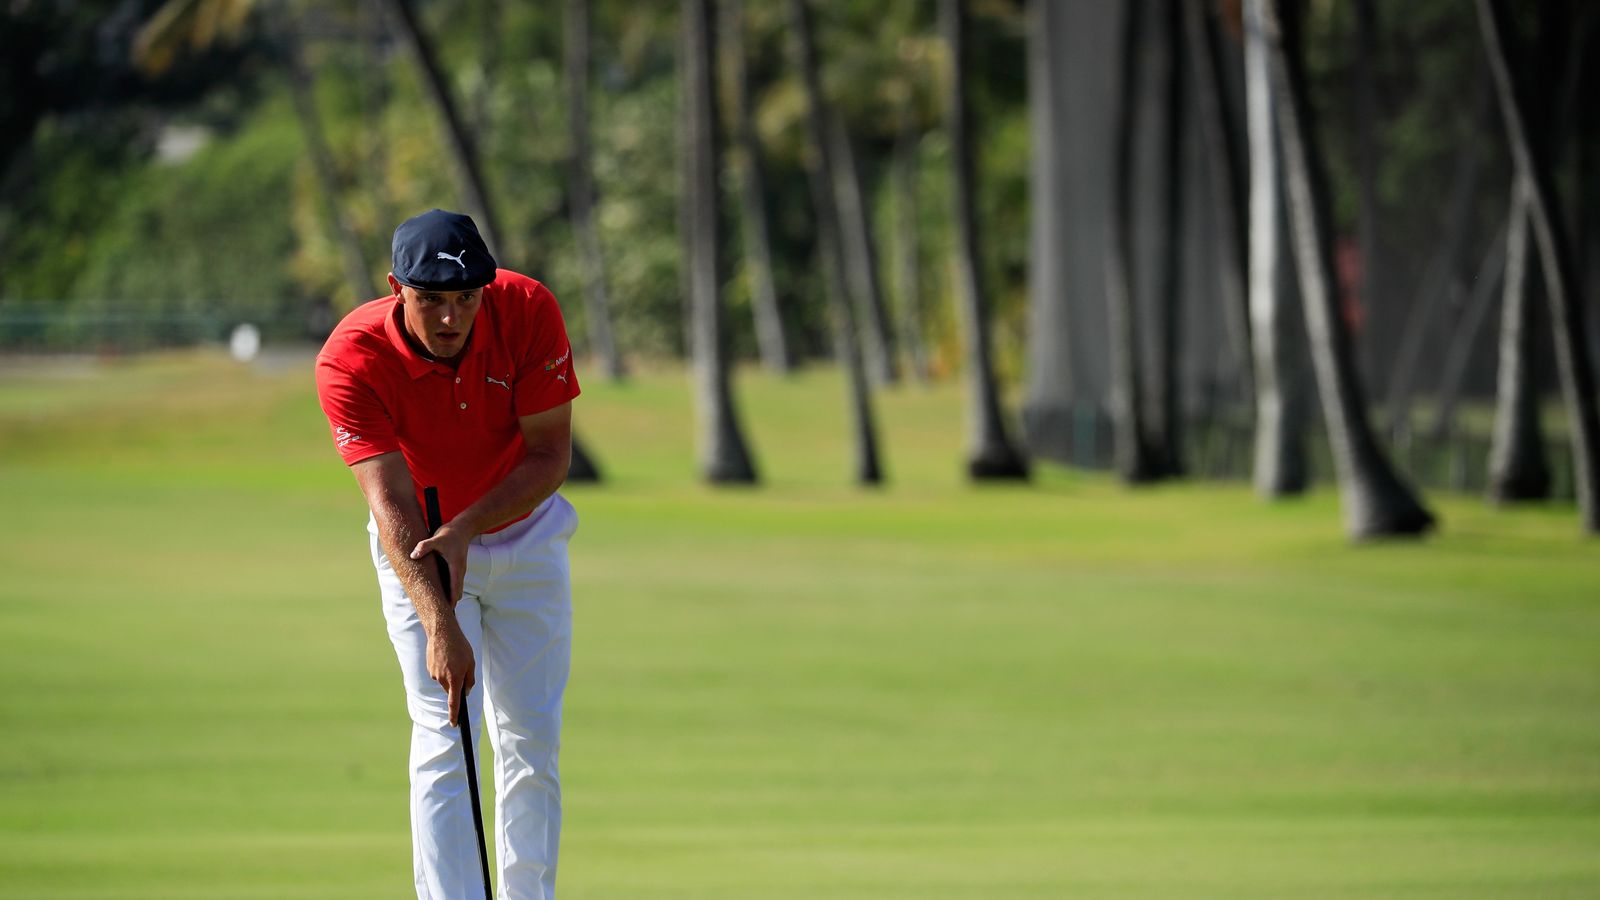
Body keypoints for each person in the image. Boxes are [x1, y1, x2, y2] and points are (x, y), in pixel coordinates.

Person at [315, 208, 580, 899]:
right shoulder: (352, 357)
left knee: (530, 741)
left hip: (526, 534)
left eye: (465, 300)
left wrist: (468, 527)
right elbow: (390, 501)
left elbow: (551, 457)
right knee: (444, 730)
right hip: (419, 545)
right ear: (394, 287)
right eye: (430, 298)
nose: (448, 319)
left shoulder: (526, 310)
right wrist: (440, 621)